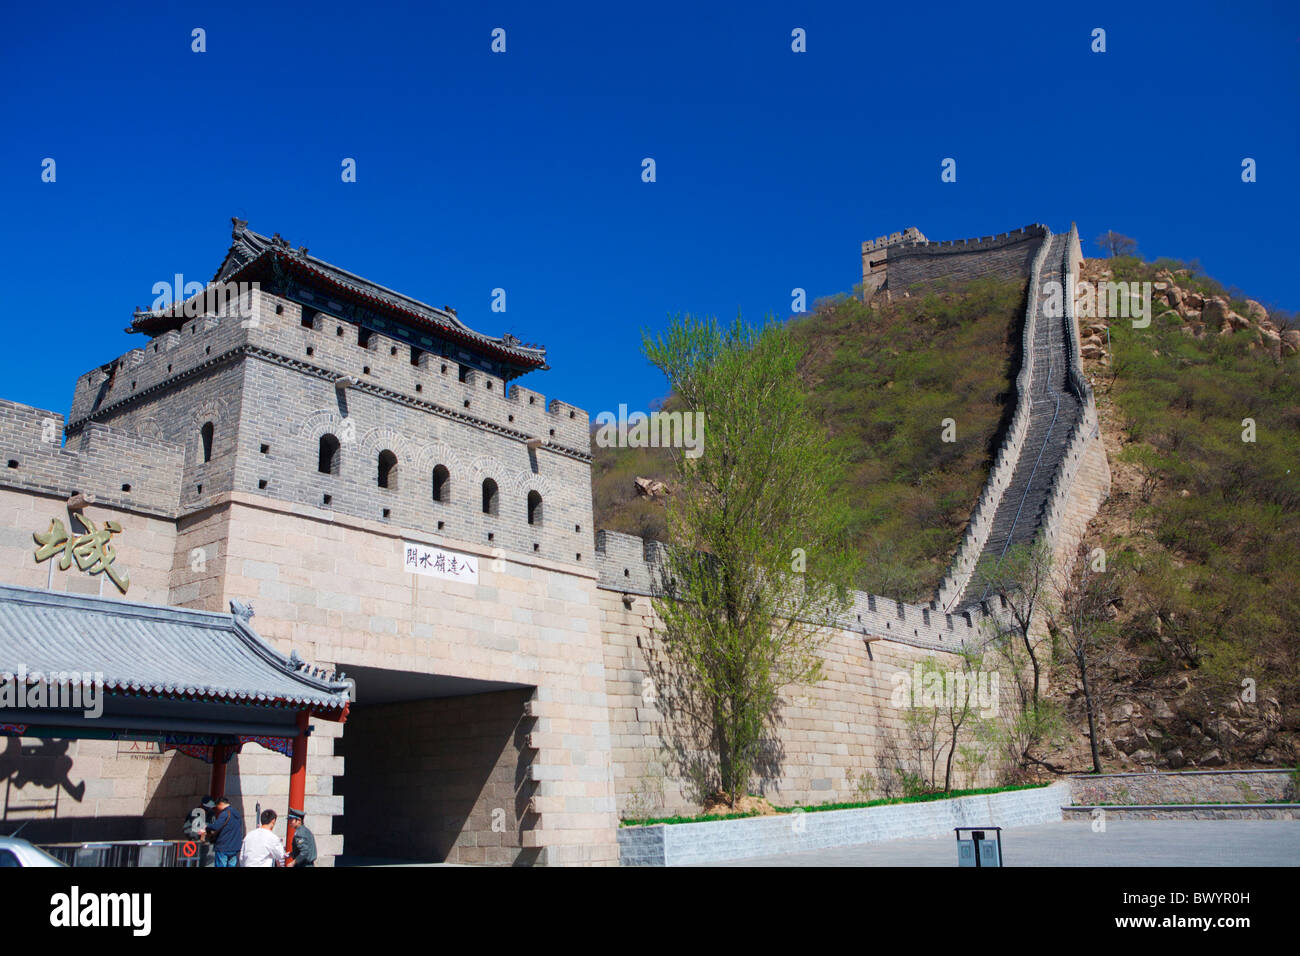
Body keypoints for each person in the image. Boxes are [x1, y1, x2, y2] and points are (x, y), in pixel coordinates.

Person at [203, 796, 243, 868]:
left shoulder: (225, 813)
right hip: (234, 847)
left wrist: (206, 826)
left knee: (221, 864)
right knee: (232, 865)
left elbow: (216, 826)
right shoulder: (236, 813)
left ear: (221, 804)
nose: (217, 809)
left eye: (217, 806)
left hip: (224, 846)